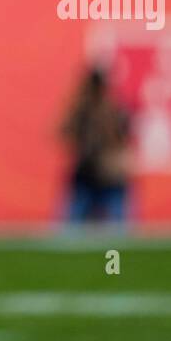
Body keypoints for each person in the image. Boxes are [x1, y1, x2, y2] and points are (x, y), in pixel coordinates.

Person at [60, 67, 132, 224]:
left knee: (118, 221)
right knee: (74, 221)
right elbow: (62, 130)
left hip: (108, 173)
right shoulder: (82, 109)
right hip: (87, 172)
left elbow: (121, 136)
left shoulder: (111, 109)